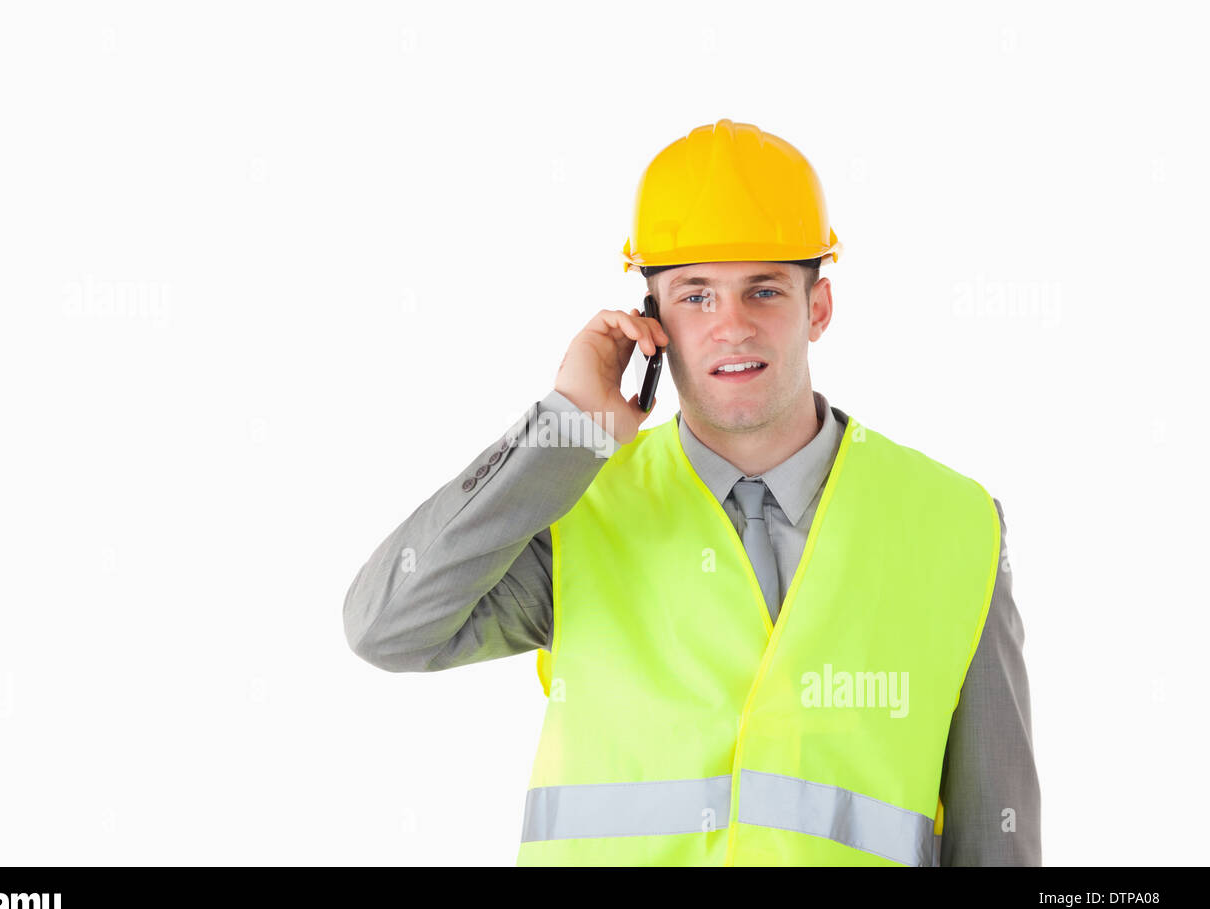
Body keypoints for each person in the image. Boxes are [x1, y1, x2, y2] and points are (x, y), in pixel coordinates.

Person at [344, 118, 1040, 866]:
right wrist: (565, 429)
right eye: (696, 295)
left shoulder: (956, 525)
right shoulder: (577, 507)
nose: (731, 327)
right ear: (651, 322)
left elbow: (996, 832)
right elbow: (387, 628)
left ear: (819, 307)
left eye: (764, 291)